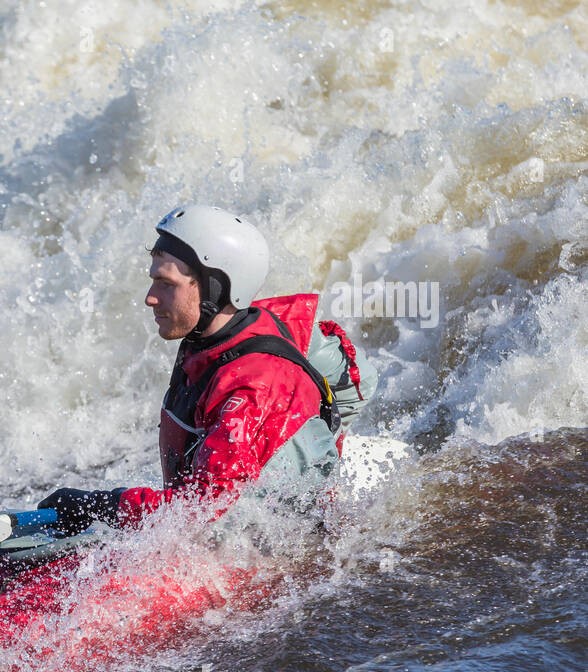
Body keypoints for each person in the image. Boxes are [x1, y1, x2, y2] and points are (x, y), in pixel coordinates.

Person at [40, 204, 373, 535]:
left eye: (166, 284)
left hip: (267, 539)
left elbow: (199, 510)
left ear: (215, 287)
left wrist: (102, 506)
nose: (150, 298)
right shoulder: (222, 331)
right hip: (233, 485)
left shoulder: (253, 387)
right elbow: (361, 378)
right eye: (153, 280)